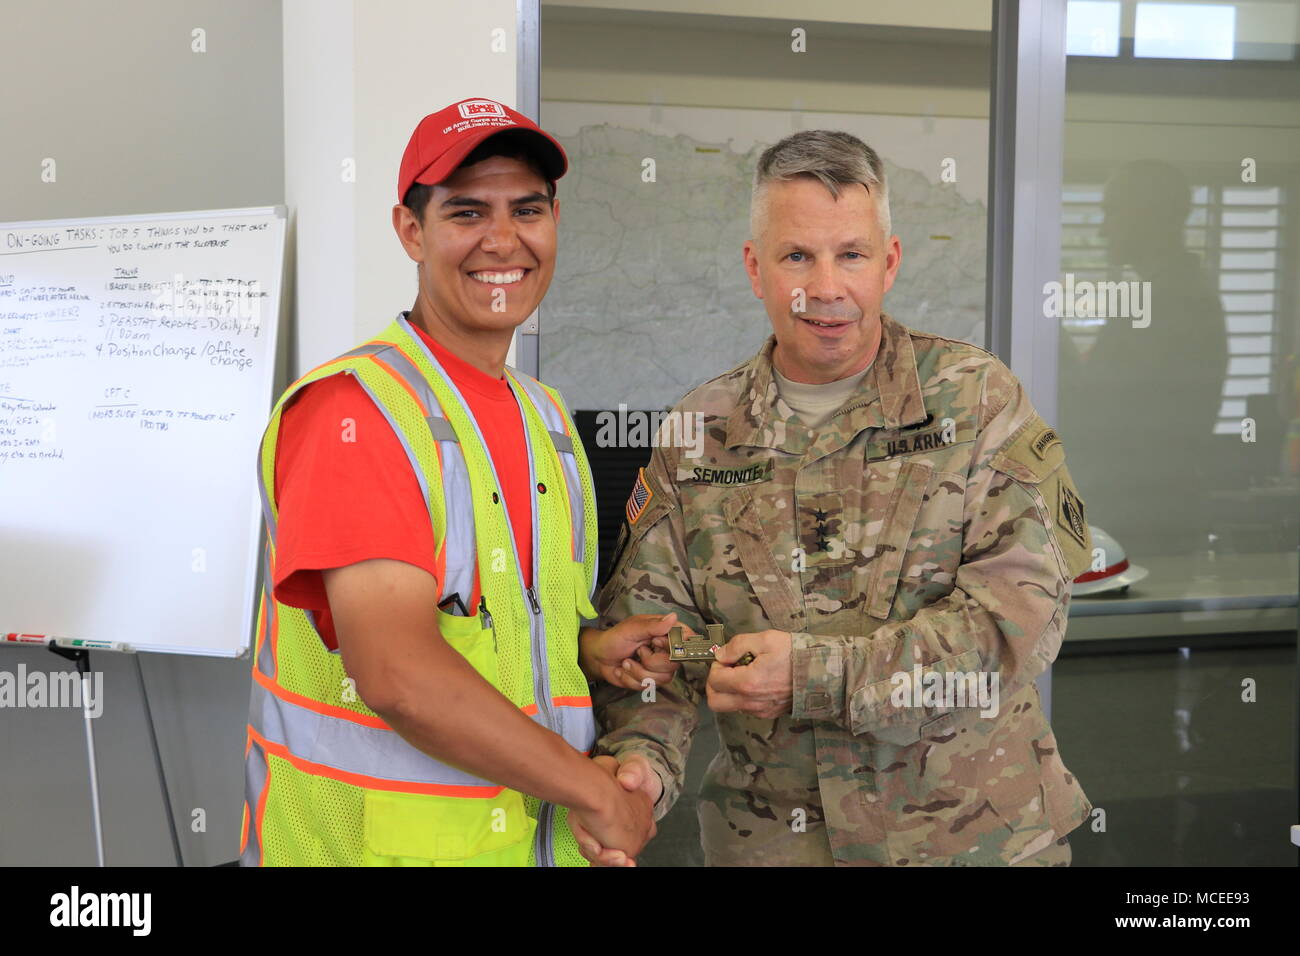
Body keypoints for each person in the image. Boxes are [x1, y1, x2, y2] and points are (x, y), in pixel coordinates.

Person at [590, 129, 1096, 866]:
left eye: (850, 254)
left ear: (888, 263)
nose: (825, 287)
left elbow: (1016, 624)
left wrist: (812, 675)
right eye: (797, 255)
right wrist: (641, 769)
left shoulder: (978, 402)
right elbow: (650, 645)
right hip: (770, 845)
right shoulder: (698, 432)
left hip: (975, 841)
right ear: (754, 267)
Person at [239, 97, 664, 867]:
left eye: (527, 210)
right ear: (412, 230)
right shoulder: (356, 415)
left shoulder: (546, 419)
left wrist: (589, 648)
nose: (504, 240)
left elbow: (504, 622)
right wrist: (597, 794)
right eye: (467, 212)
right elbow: (397, 673)